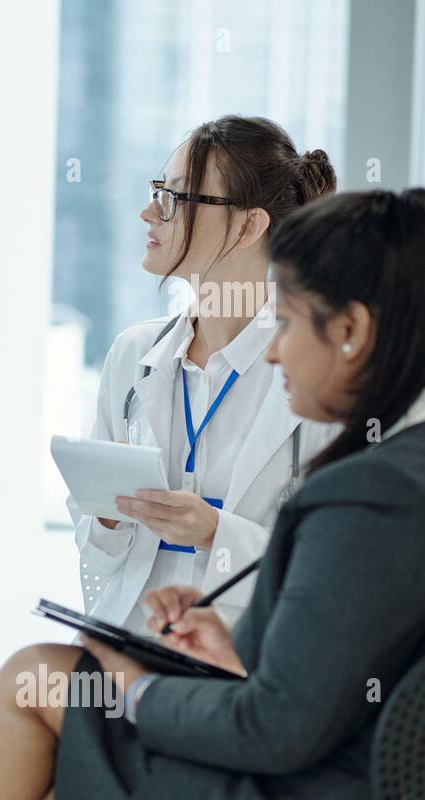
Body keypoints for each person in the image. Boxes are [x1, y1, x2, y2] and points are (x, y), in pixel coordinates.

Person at [0, 188, 425, 800]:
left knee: (35, 736)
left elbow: (277, 729)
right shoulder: (396, 469)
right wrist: (234, 653)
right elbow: (338, 665)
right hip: (320, 774)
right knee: (34, 711)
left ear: (352, 329)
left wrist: (140, 689)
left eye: (292, 321)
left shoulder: (371, 494)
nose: (276, 354)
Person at [72, 116, 342, 634]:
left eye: (174, 198)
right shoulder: (134, 354)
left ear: (248, 226)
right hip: (131, 633)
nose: (148, 211)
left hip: (248, 648)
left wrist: (216, 532)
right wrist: (106, 520)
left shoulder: (317, 373)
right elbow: (100, 560)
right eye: (157, 192)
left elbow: (336, 565)